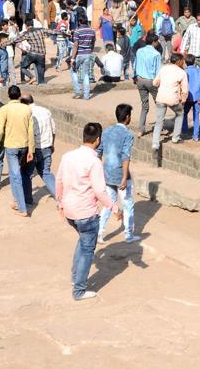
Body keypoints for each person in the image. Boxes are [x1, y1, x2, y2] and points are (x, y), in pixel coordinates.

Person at [56, 122, 121, 301]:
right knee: (87, 249)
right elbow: (100, 191)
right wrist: (114, 207)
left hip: (70, 210)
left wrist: (59, 202)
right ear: (98, 140)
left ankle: (75, 277)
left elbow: (59, 180)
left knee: (83, 242)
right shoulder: (94, 161)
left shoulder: (68, 156)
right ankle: (79, 289)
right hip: (86, 212)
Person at [96, 104, 141, 244]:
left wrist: (99, 172)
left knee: (109, 203)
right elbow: (126, 156)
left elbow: (99, 153)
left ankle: (99, 233)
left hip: (107, 173)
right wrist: (124, 177)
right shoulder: (128, 135)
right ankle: (128, 234)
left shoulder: (107, 131)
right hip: (120, 175)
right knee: (127, 204)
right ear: (127, 117)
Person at [0, 85, 35, 217]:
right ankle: (17, 201)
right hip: (24, 146)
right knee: (17, 174)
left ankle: (22, 208)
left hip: (11, 146)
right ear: (19, 95)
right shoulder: (27, 109)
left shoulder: (4, 109)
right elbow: (31, 131)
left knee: (15, 176)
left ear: (9, 96)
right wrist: (31, 149)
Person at [22, 94, 57, 207]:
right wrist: (52, 144)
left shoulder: (27, 113)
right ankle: (60, 196)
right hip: (47, 146)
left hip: (34, 148)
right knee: (46, 172)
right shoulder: (45, 111)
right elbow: (53, 129)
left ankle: (28, 200)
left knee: (27, 174)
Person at [151, 52, 189, 154]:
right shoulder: (182, 73)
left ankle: (155, 143)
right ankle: (175, 137)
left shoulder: (163, 68)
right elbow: (185, 90)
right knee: (180, 114)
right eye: (182, 61)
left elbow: (155, 83)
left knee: (159, 121)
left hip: (160, 98)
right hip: (173, 99)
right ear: (179, 61)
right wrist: (183, 100)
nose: (183, 63)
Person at [134, 33, 162, 136]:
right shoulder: (156, 54)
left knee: (144, 106)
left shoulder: (139, 51)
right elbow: (158, 71)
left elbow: (135, 64)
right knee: (159, 104)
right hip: (151, 81)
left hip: (140, 80)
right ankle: (160, 127)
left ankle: (140, 130)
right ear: (154, 42)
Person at [12, 19, 49, 86]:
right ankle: (41, 85)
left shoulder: (27, 33)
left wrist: (4, 44)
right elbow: (53, 31)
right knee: (40, 73)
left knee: (23, 67)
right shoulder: (40, 30)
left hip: (32, 53)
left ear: (26, 26)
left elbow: (15, 40)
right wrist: (66, 34)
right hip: (41, 54)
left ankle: (32, 77)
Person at [69, 16, 96, 100]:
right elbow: (93, 42)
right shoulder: (92, 31)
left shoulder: (77, 31)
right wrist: (90, 50)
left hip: (79, 54)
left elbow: (75, 45)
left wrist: (72, 58)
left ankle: (78, 91)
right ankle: (86, 95)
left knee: (73, 71)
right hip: (88, 54)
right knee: (86, 74)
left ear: (79, 22)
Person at [182, 54, 200, 142]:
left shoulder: (184, 72)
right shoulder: (199, 71)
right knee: (196, 116)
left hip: (187, 97)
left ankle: (184, 131)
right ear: (194, 61)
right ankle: (195, 136)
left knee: (184, 113)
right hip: (198, 97)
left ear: (185, 62)